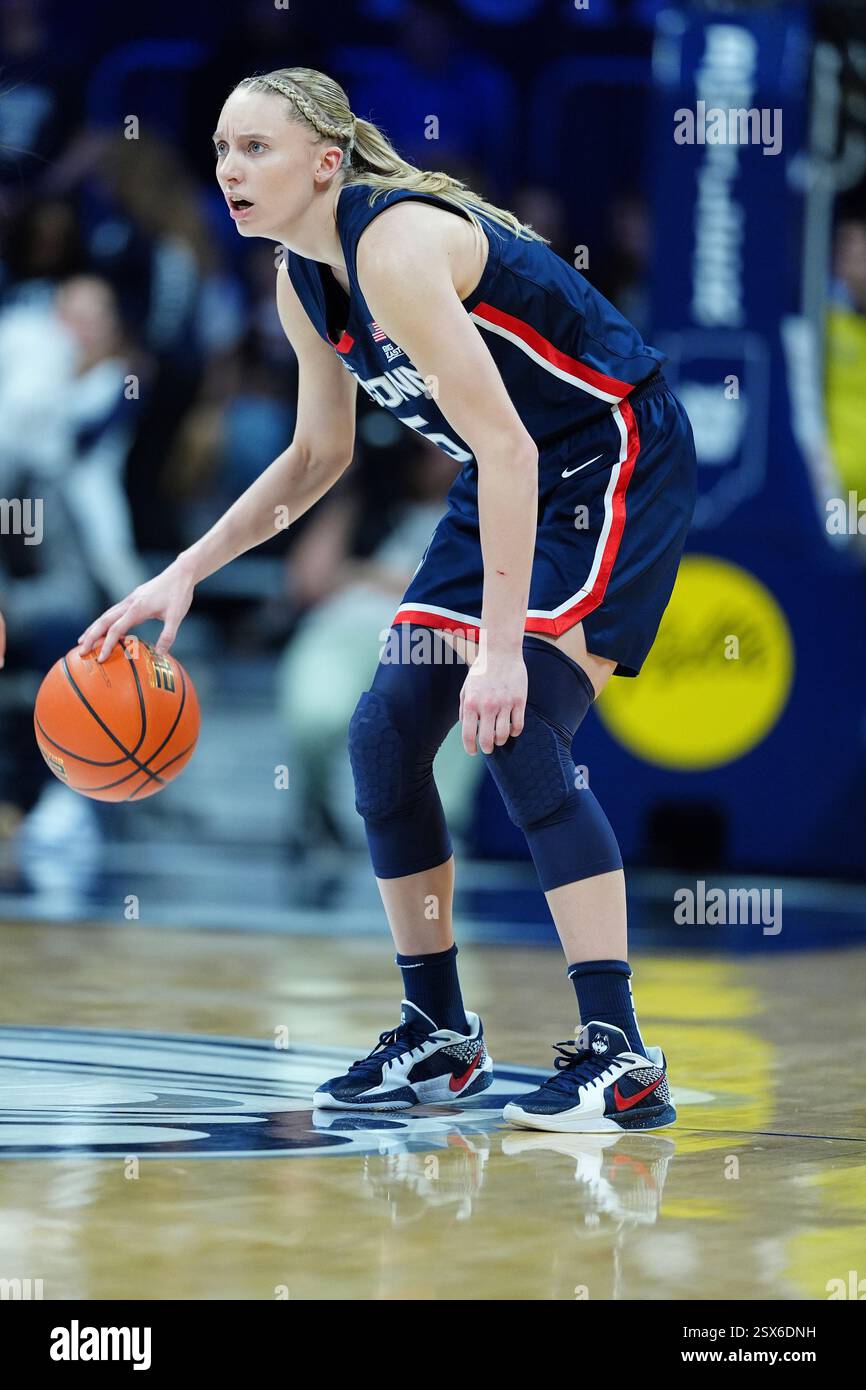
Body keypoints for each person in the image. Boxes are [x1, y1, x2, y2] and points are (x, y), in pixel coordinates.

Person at [77, 67, 697, 1134]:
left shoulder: (395, 245)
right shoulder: (297, 277)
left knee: (518, 731)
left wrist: (500, 653)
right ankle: (438, 1032)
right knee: (383, 732)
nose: (229, 168)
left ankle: (620, 1054)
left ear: (326, 161)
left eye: (256, 148)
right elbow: (316, 457)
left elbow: (509, 442)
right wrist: (183, 569)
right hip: (503, 474)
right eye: (222, 149)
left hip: (605, 457)